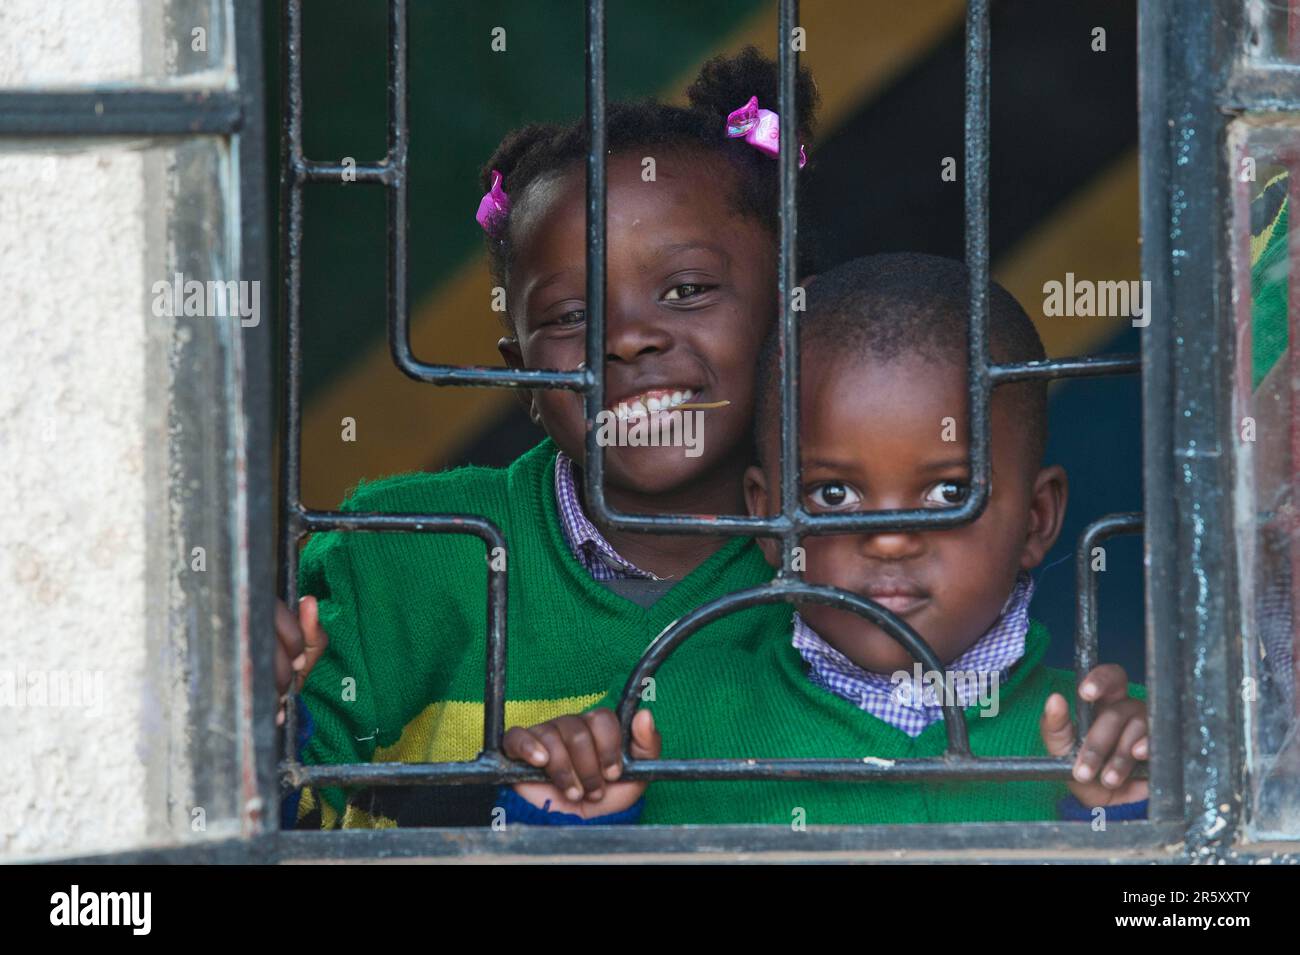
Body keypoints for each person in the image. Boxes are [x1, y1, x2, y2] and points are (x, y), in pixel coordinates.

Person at [498, 253, 1150, 825]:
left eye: (949, 493)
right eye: (833, 494)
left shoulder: (1118, 737)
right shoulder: (661, 723)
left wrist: (1127, 810)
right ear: (769, 522)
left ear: (1036, 519)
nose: (889, 541)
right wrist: (570, 822)